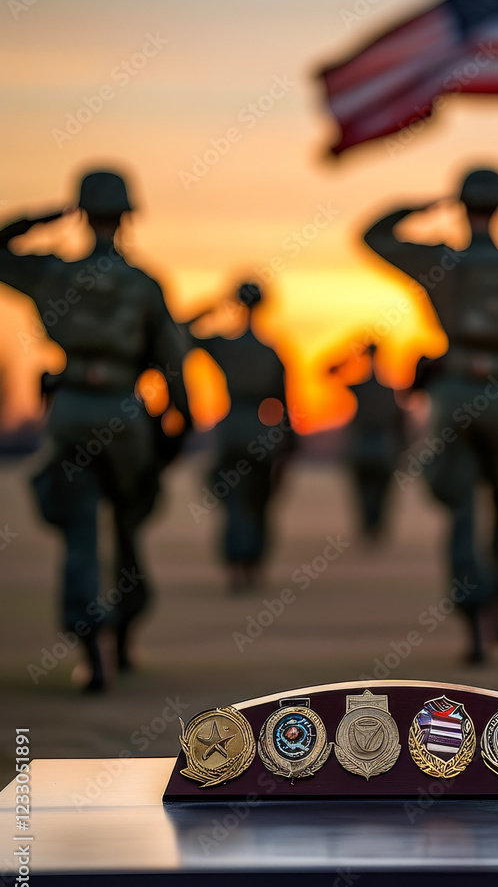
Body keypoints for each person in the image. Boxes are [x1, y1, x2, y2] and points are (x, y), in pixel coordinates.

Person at [363, 167, 498, 663]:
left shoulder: (441, 263)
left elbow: (373, 236)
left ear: (462, 207)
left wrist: (424, 205)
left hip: (452, 396)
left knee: (460, 511)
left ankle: (474, 622)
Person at [0, 168, 192, 690]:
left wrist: (41, 218)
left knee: (81, 531)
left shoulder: (54, 275)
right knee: (127, 529)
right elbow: (173, 359)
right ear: (127, 216)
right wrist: (180, 420)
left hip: (72, 411)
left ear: (82, 213)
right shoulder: (144, 283)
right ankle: (125, 636)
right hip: (125, 414)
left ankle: (91, 648)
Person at [184, 282, 289, 592]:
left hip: (231, 429)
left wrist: (214, 306)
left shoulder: (225, 345)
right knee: (258, 503)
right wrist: (285, 442)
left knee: (234, 502)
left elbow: (184, 333)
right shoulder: (270, 350)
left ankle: (237, 565)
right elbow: (283, 401)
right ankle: (252, 564)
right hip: (262, 430)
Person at [330, 343, 405, 540]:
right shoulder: (388, 390)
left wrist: (353, 356)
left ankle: (370, 528)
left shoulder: (365, 388)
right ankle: (373, 529)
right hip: (380, 446)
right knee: (378, 492)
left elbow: (331, 372)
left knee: (366, 492)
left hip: (366, 445)